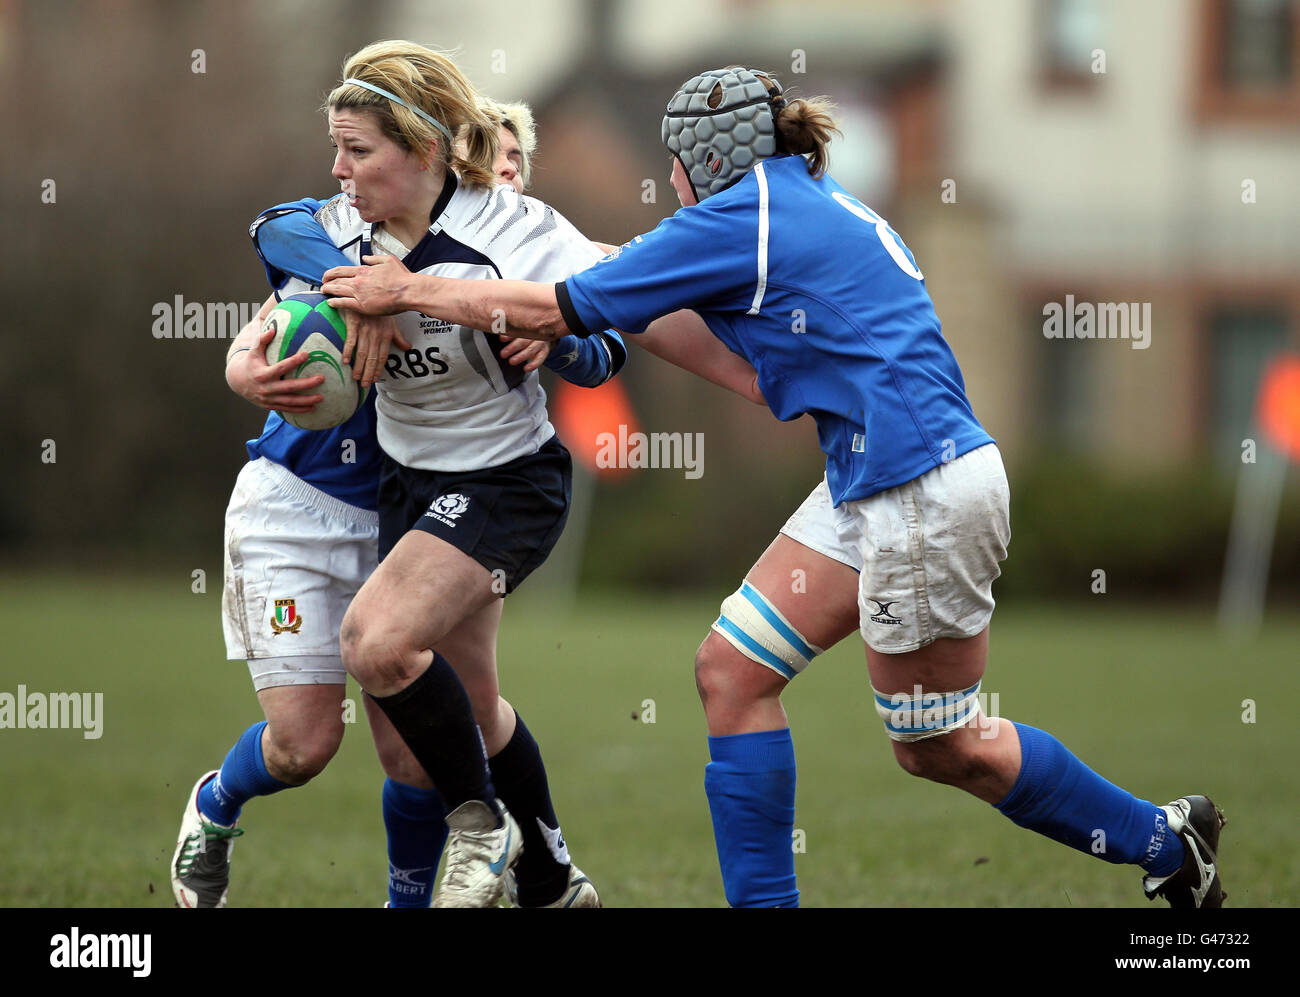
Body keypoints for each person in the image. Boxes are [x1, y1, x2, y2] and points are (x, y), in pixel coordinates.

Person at [321, 66, 1228, 909]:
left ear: (697, 163)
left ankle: (1163, 841)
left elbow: (569, 301)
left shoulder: (739, 217)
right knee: (731, 671)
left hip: (918, 487)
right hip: (878, 477)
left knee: (939, 745)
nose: (672, 188)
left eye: (674, 171)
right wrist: (514, 272)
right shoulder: (793, 204)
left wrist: (411, 288)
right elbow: (647, 298)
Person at [172, 57, 626, 908]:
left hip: (504, 480)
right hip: (405, 490)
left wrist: (552, 332)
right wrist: (361, 300)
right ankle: (550, 880)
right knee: (435, 727)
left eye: (356, 151)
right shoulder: (345, 229)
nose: (339, 171)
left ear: (423, 148)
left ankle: (484, 830)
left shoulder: (521, 232)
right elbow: (273, 230)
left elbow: (605, 342)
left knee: (377, 644)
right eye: (335, 150)